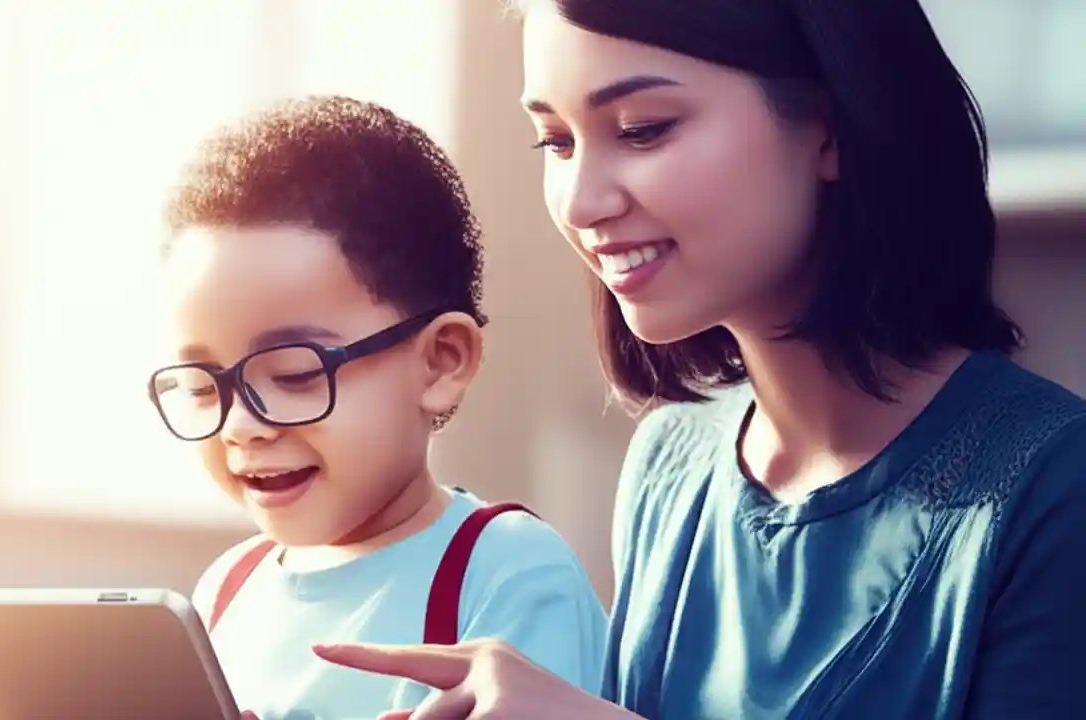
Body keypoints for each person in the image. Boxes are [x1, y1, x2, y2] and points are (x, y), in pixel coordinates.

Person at [316, 1, 1086, 718]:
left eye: (644, 129)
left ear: (829, 127)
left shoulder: (1053, 491)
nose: (581, 203)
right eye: (556, 141)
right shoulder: (671, 461)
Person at [148, 95, 607, 720]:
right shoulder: (228, 590)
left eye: (293, 373)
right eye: (204, 386)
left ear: (442, 360)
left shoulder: (507, 570)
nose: (240, 425)